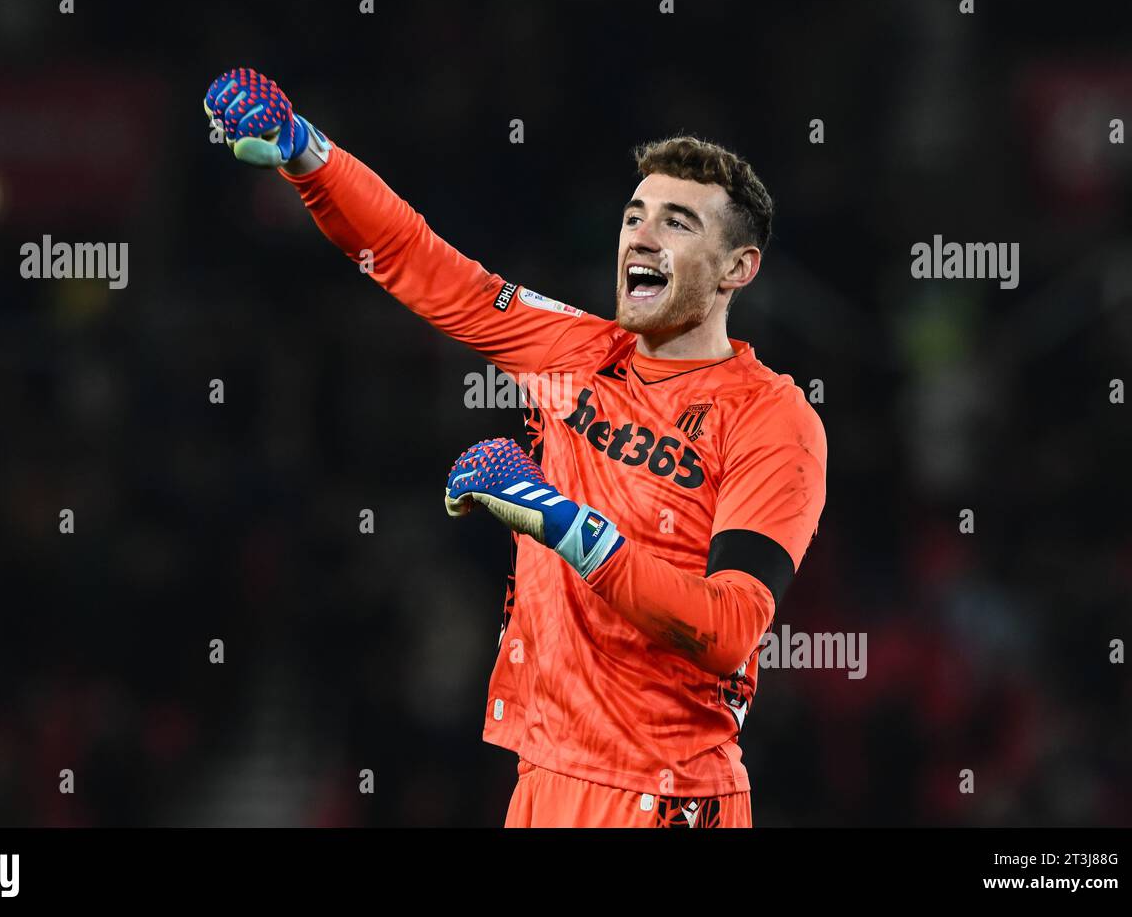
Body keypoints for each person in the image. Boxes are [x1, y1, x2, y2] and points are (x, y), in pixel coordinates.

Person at [205, 68, 827, 828]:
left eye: (678, 223)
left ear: (738, 269)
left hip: (665, 795)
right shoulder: (574, 349)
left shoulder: (773, 417)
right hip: (543, 778)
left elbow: (731, 631)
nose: (642, 235)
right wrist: (308, 154)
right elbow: (417, 258)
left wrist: (564, 523)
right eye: (635, 216)